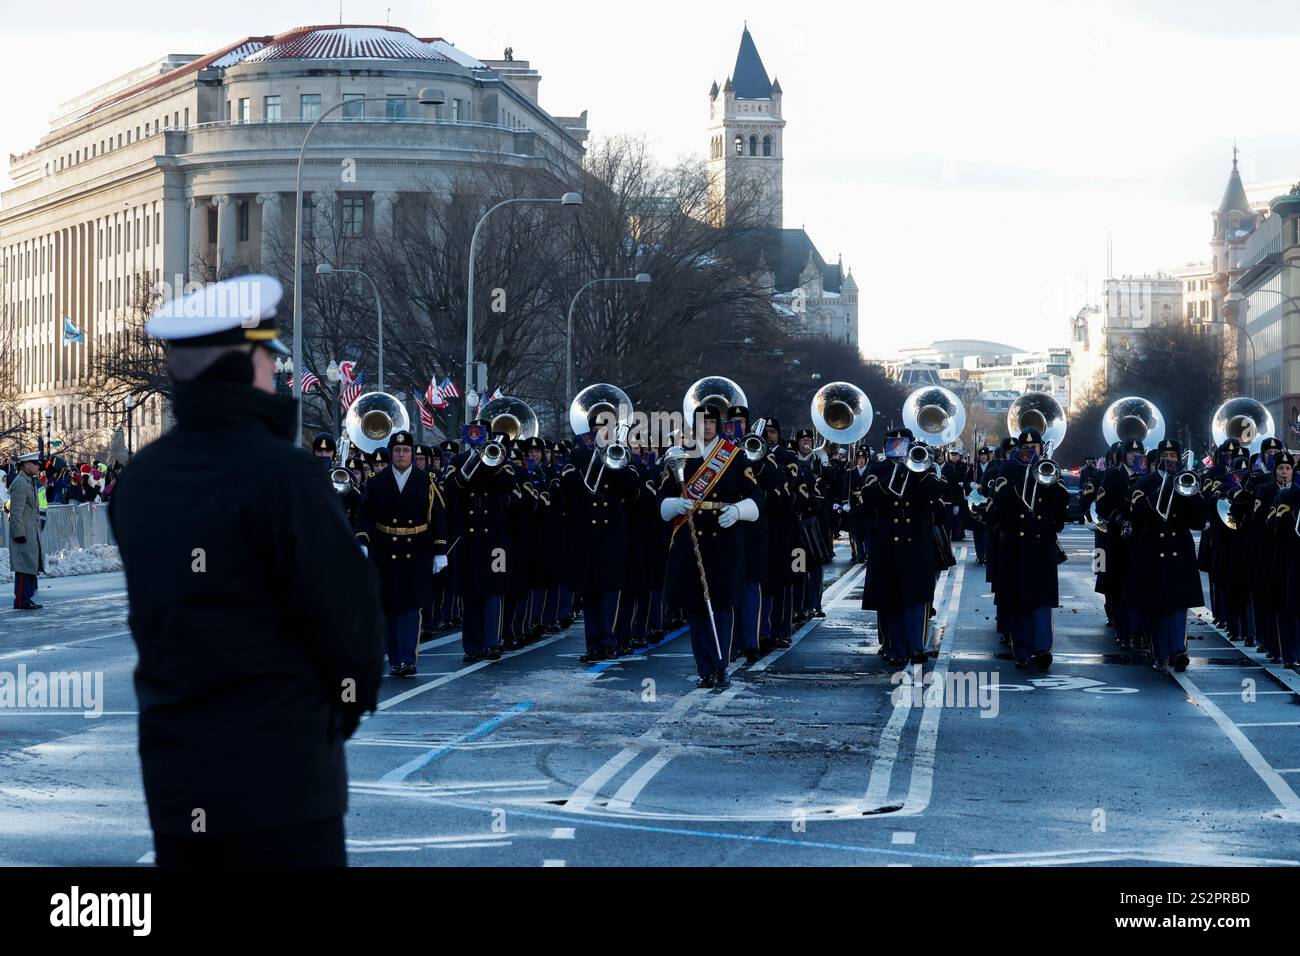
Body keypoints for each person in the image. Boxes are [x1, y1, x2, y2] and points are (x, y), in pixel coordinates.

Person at [109, 274, 384, 866]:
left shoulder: (141, 482)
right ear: (240, 365)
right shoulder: (287, 478)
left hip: (179, 778)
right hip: (285, 782)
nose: (274, 372)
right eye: (266, 356)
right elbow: (351, 627)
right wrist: (329, 719)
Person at [658, 404, 763, 687]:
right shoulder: (680, 456)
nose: (706, 427)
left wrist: (739, 511)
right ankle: (705, 668)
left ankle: (721, 665)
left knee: (722, 605)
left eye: (711, 423)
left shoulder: (735, 457)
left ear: (718, 425)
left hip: (724, 538)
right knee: (696, 607)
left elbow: (756, 496)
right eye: (701, 422)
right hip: (690, 539)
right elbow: (662, 498)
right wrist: (673, 504)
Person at [354, 429, 449, 677]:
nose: (401, 455)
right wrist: (362, 542)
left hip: (416, 550)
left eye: (406, 450)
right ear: (391, 453)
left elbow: (438, 516)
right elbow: (365, 514)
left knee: (410, 607)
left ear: (412, 453)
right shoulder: (376, 481)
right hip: (385, 550)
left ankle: (408, 659)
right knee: (388, 607)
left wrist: (440, 550)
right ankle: (395, 659)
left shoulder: (425, 480)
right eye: (397, 451)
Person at [858, 428, 943, 666]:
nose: (898, 449)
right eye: (894, 444)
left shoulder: (923, 469)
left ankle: (916, 645)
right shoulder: (878, 470)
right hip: (888, 545)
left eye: (902, 444)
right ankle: (894, 646)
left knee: (917, 598)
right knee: (891, 598)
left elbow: (937, 495)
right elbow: (866, 502)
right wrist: (893, 475)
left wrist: (919, 468)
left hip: (916, 544)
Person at [988, 428, 1070, 670]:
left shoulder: (1050, 469)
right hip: (1015, 545)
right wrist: (1020, 480)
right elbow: (998, 504)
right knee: (1018, 600)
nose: (1029, 451)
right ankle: (1021, 649)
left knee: (1042, 601)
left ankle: (1043, 648)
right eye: (1025, 448)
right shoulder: (1008, 470)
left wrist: (1047, 480)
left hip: (1042, 546)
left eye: (1034, 448)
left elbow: (1063, 504)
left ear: (1040, 448)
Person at [1126, 439, 1207, 672]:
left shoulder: (1187, 483)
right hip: (1151, 551)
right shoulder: (1145, 482)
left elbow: (1199, 521)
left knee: (1178, 607)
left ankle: (1179, 651)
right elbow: (1136, 514)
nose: (1170, 459)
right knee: (1155, 608)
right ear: (1158, 457)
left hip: (1179, 551)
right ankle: (1160, 653)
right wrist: (1160, 491)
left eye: (1173, 455)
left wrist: (1190, 494)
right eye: (1166, 455)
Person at [8, 452, 44, 610]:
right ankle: (22, 599)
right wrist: (18, 533)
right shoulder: (21, 483)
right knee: (23, 567)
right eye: (34, 463)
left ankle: (26, 597)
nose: (38, 466)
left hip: (30, 530)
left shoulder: (28, 480)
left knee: (30, 565)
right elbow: (16, 511)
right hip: (24, 531)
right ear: (25, 465)